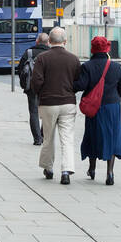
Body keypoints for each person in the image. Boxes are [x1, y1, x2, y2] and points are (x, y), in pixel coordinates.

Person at [31, 27, 81, 185]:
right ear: (65, 41)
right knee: (67, 138)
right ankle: (66, 171)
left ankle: (48, 167)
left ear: (50, 41)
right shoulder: (73, 59)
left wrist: (40, 93)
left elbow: (36, 82)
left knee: (48, 137)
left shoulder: (42, 58)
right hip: (68, 103)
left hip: (48, 103)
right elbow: (78, 82)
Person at [76, 35, 121, 185]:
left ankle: (92, 169)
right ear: (106, 48)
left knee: (93, 135)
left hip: (94, 107)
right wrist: (114, 97)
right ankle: (110, 173)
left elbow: (81, 85)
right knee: (112, 136)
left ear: (92, 49)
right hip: (112, 106)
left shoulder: (87, 66)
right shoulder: (115, 66)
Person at [17, 31, 51, 145]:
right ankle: (43, 134)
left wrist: (24, 83)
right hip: (47, 87)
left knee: (34, 112)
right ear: (48, 42)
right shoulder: (51, 53)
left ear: (37, 41)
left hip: (31, 87)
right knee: (47, 113)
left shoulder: (29, 52)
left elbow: (20, 69)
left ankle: (37, 139)